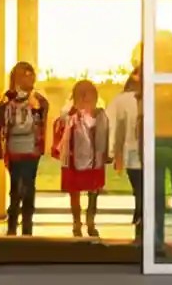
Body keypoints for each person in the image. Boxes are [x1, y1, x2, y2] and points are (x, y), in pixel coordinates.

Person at [0, 61, 49, 236]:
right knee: (16, 186)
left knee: (29, 185)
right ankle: (12, 221)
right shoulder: (8, 98)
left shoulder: (38, 99)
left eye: (31, 74)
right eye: (24, 74)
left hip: (31, 149)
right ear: (16, 77)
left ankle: (27, 222)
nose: (29, 78)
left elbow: (43, 115)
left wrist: (35, 107)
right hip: (14, 148)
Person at [53, 79, 110, 238]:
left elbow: (105, 137)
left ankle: (90, 222)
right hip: (73, 161)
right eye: (82, 95)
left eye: (90, 95)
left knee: (94, 192)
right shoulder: (69, 114)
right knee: (75, 193)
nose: (86, 99)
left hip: (95, 161)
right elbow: (61, 128)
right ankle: (76, 223)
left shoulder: (100, 114)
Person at [109, 66, 143, 240]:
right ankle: (142, 222)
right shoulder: (157, 95)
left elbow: (119, 129)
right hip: (142, 151)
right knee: (144, 191)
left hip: (132, 153)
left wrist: (117, 154)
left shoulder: (122, 100)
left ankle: (140, 221)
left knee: (139, 190)